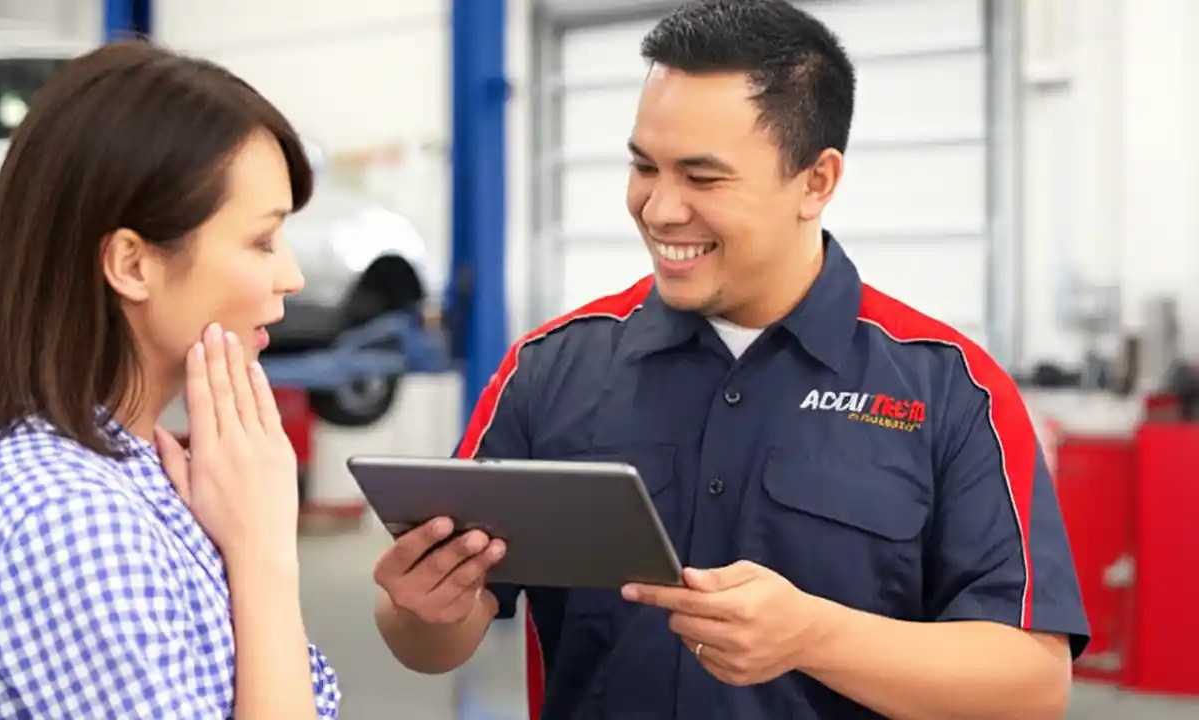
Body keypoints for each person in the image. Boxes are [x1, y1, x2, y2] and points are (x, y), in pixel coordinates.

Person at [371, 1, 1089, 718]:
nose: (659, 209)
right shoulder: (549, 369)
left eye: (703, 177)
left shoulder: (952, 390)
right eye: (644, 166)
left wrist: (814, 636)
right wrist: (421, 609)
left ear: (817, 181)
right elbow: (434, 643)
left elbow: (1031, 686)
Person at [0, 40, 339, 718]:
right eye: (262, 241)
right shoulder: (68, 519)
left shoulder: (140, 474)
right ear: (131, 264)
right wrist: (263, 556)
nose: (291, 276)